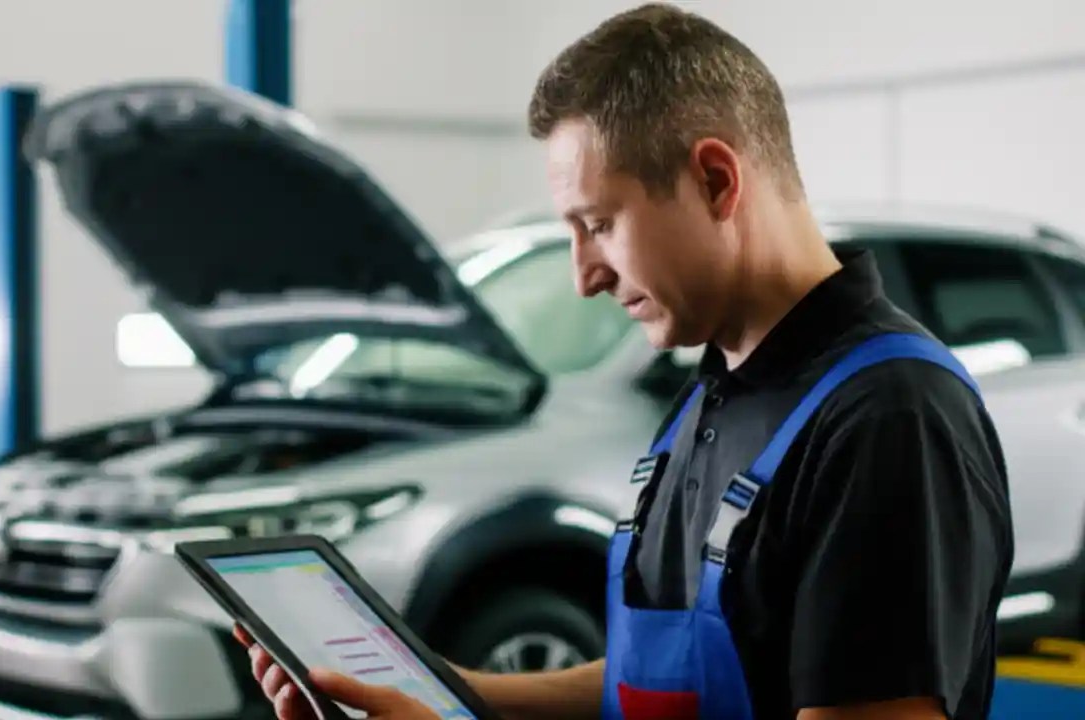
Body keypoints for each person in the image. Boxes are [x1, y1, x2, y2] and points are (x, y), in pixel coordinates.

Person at [235, 3, 1014, 719]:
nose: (584, 275)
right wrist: (442, 694)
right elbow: (652, 683)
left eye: (598, 224)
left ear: (715, 180)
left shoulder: (889, 419)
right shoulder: (712, 396)